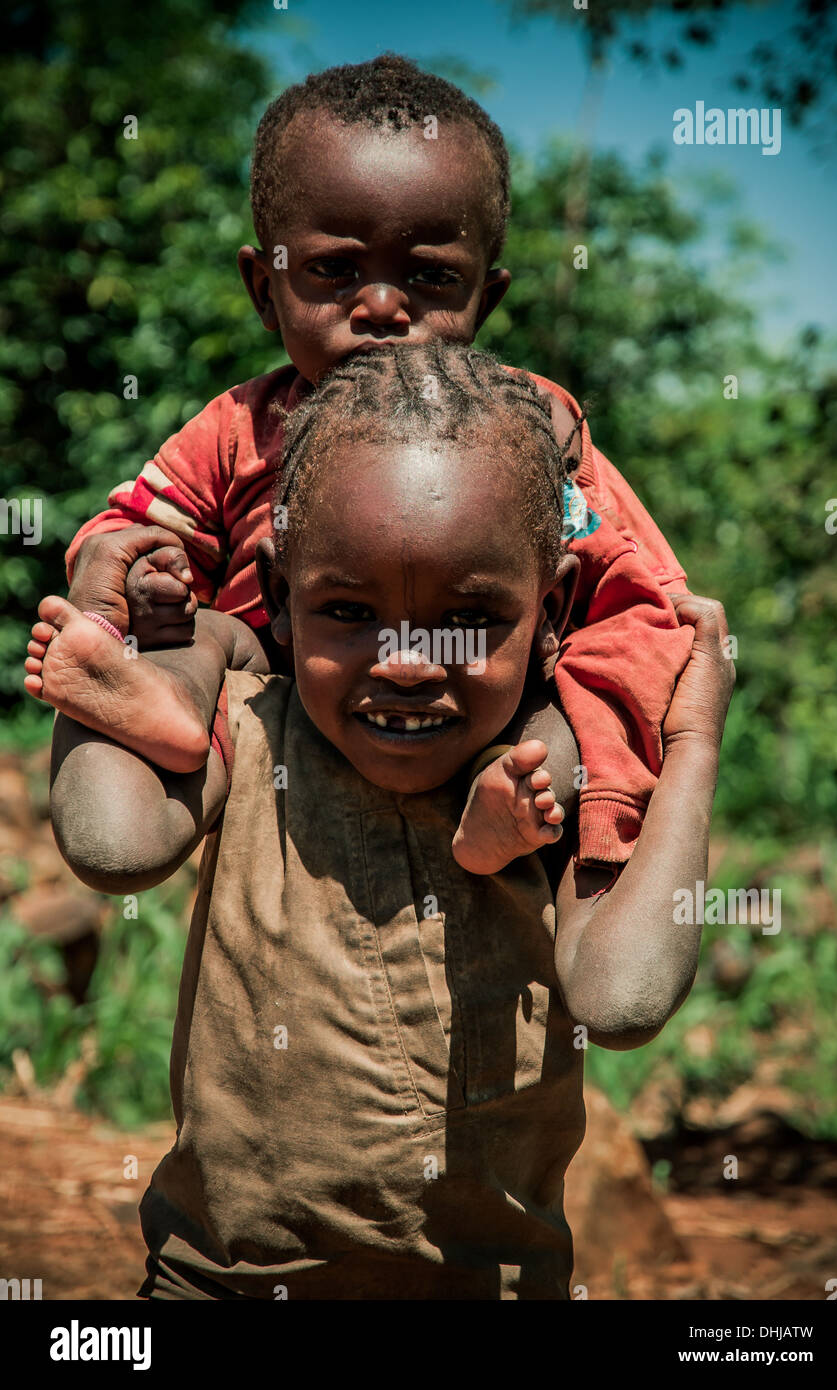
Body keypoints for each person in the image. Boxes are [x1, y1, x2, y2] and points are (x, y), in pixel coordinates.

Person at [33, 344, 735, 1300]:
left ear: (554, 604)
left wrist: (689, 744)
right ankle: (156, 664)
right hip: (214, 1283)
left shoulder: (546, 779)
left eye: (470, 617)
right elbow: (112, 846)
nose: (406, 659)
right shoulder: (252, 725)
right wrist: (105, 652)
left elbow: (621, 1001)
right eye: (351, 610)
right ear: (279, 595)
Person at [59, 54, 694, 876]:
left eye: (430, 278)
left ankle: (526, 792)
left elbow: (641, 591)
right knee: (206, 637)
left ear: (484, 301)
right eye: (334, 270)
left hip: (478, 714)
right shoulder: (236, 433)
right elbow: (132, 528)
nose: (384, 308)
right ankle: (148, 700)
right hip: (282, 710)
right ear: (265, 288)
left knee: (575, 690)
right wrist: (133, 568)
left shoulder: (527, 428)